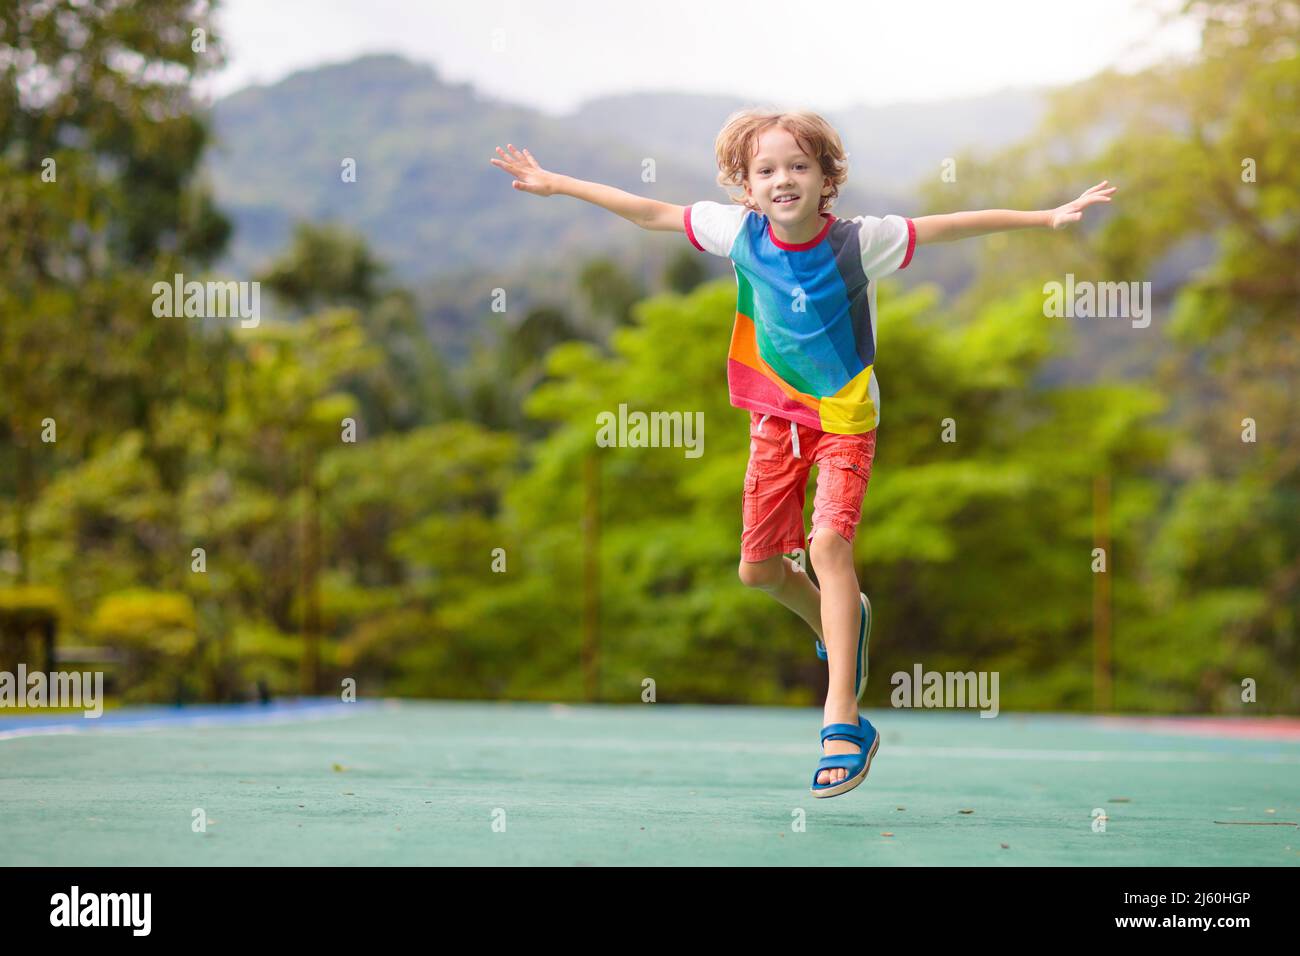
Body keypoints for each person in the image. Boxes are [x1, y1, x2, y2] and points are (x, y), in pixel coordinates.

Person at [490, 108, 1115, 797]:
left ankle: (841, 717)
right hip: (773, 418)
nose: (782, 179)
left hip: (846, 416)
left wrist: (1046, 217)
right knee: (758, 572)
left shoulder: (860, 242)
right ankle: (841, 619)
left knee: (827, 549)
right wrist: (555, 183)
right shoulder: (737, 233)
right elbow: (646, 211)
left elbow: (953, 224)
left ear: (825, 179)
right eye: (765, 170)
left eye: (798, 166)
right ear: (745, 185)